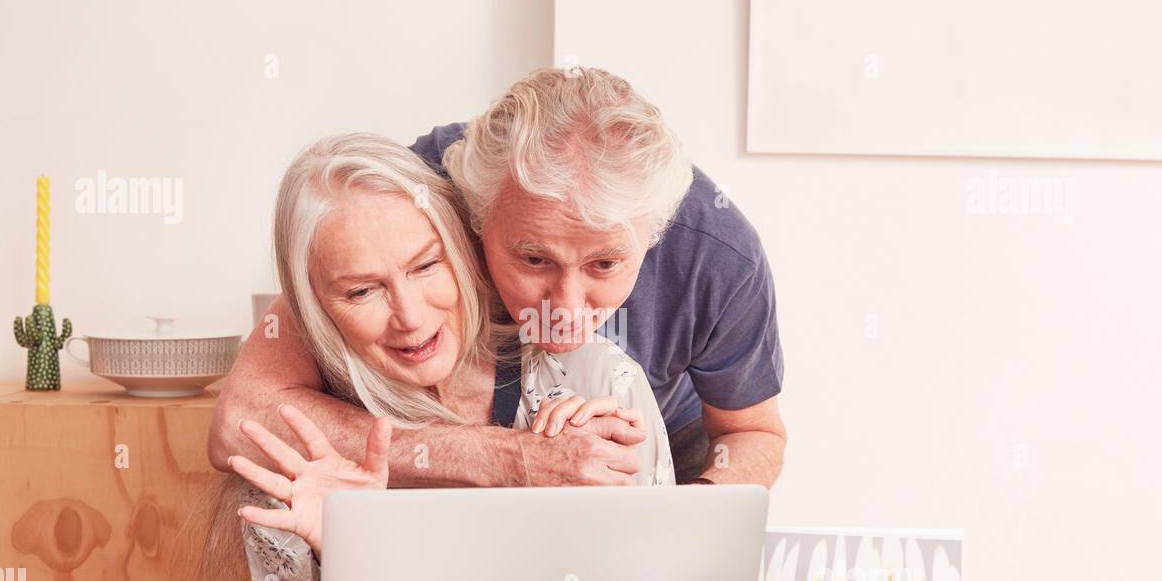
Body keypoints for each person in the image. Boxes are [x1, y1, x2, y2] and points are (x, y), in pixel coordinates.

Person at [199, 132, 671, 581]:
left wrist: (594, 526)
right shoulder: (302, 456)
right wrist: (343, 555)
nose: (412, 316)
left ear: (468, 253)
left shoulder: (597, 380)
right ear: (311, 311)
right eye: (361, 292)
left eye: (425, 266)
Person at [208, 67, 787, 490]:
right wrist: (500, 458)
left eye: (605, 264)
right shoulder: (422, 194)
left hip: (668, 451)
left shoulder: (720, 255)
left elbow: (753, 435)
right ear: (473, 214)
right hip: (460, 456)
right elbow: (243, 419)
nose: (565, 307)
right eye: (534, 260)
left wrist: (690, 524)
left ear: (656, 234)